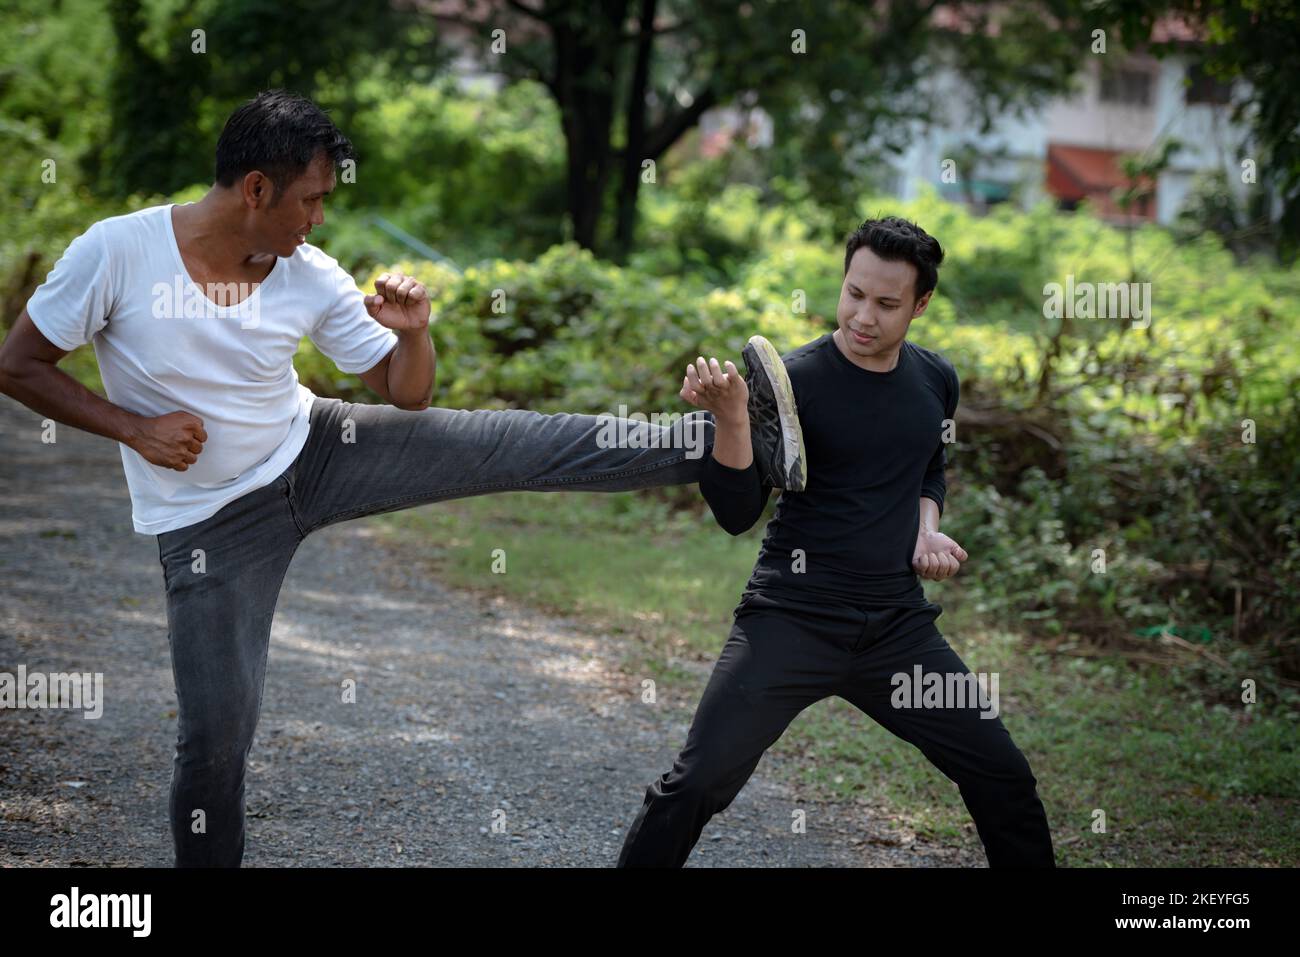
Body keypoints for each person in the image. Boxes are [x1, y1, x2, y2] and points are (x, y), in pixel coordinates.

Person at [0, 89, 807, 867]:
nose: (320, 217)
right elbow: (19, 365)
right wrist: (134, 428)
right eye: (311, 199)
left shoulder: (307, 270)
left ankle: (720, 436)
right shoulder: (117, 252)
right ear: (254, 188)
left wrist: (415, 336)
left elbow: (408, 393)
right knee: (214, 735)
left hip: (317, 448)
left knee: (512, 443)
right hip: (211, 523)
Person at [617, 217, 1056, 868]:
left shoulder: (936, 378)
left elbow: (926, 467)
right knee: (698, 781)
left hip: (896, 631)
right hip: (791, 620)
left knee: (1004, 775)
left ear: (921, 304)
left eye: (886, 303)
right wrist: (731, 418)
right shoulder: (793, 380)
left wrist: (926, 529)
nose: (863, 316)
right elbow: (738, 512)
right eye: (853, 293)